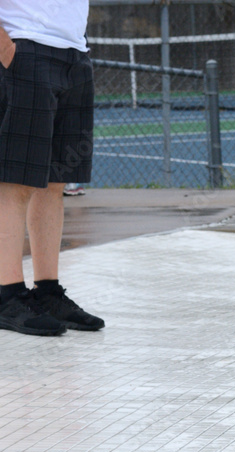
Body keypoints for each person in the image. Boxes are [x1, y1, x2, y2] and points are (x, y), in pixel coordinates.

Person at [0, 0, 103, 336]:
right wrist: (5, 47)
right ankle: (7, 294)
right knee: (14, 182)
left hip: (73, 52)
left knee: (55, 182)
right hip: (24, 48)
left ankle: (47, 292)